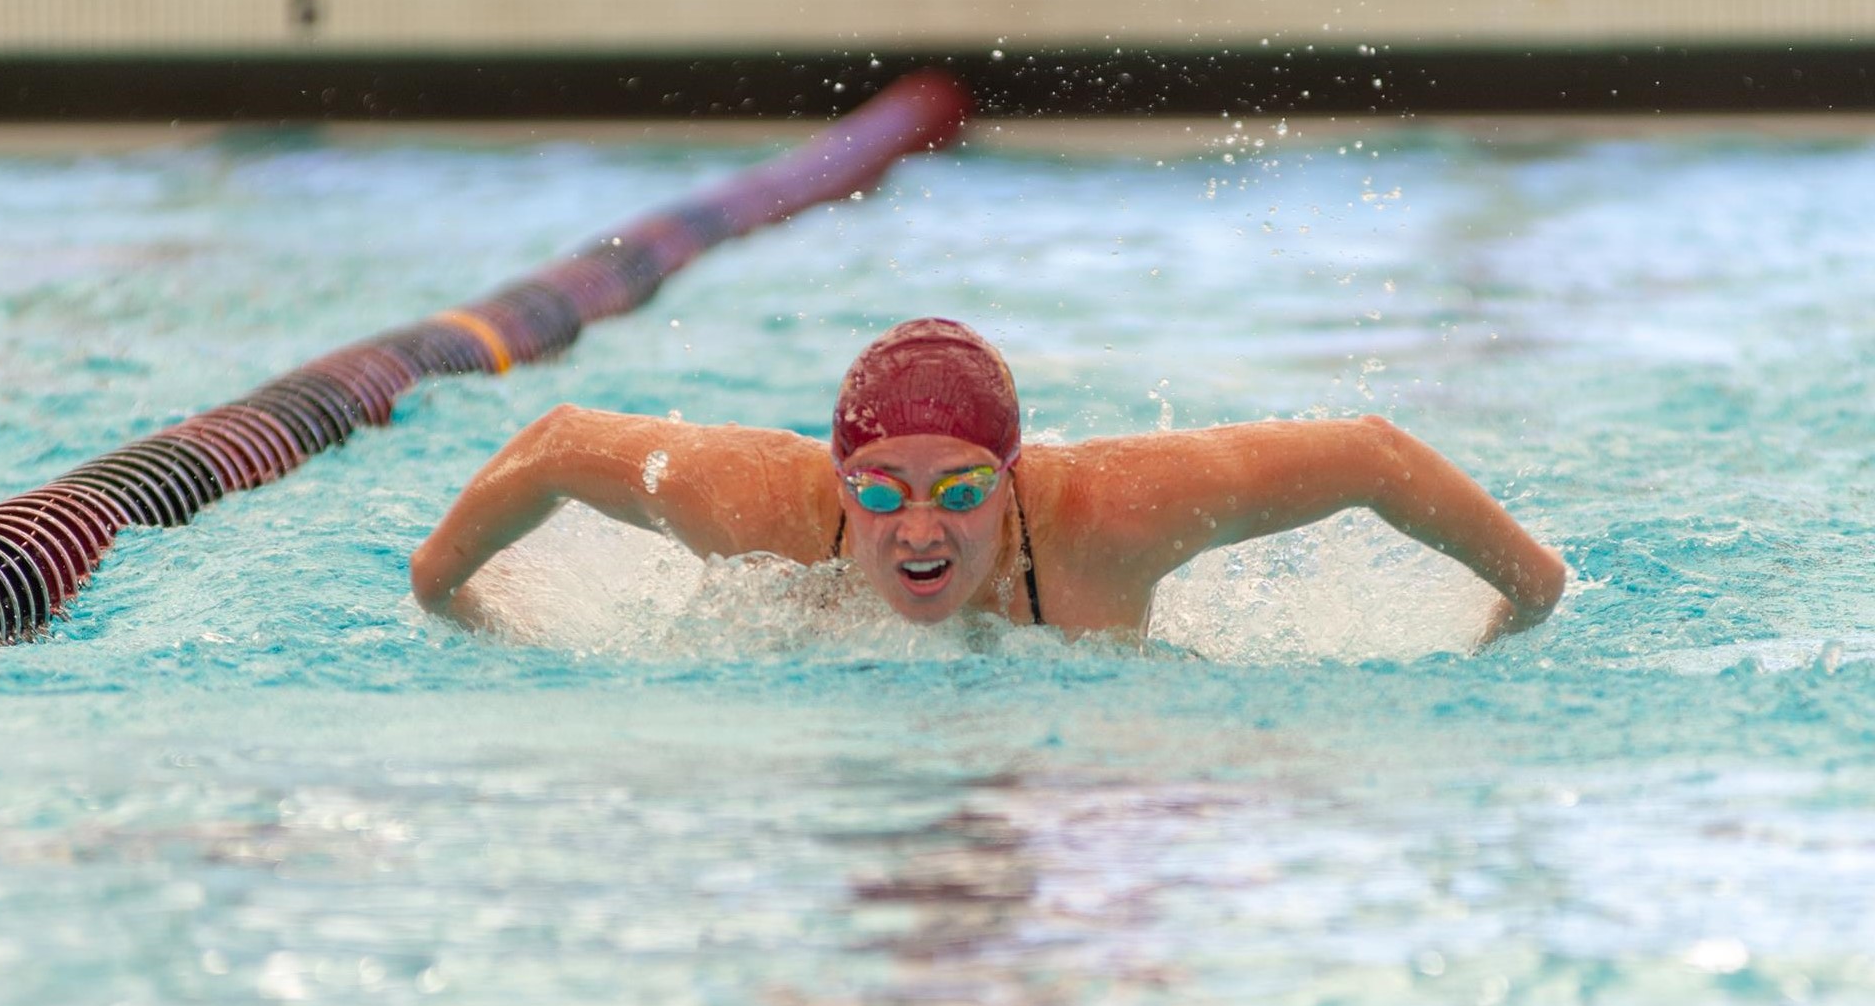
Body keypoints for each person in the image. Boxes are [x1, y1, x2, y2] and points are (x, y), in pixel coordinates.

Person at [411, 317, 1565, 644]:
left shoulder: (1113, 516)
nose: (918, 524)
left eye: (959, 491)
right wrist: (441, 585)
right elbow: (558, 438)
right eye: (881, 490)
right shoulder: (762, 507)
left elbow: (1369, 453)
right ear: (837, 475)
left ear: (1012, 481)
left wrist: (1531, 592)